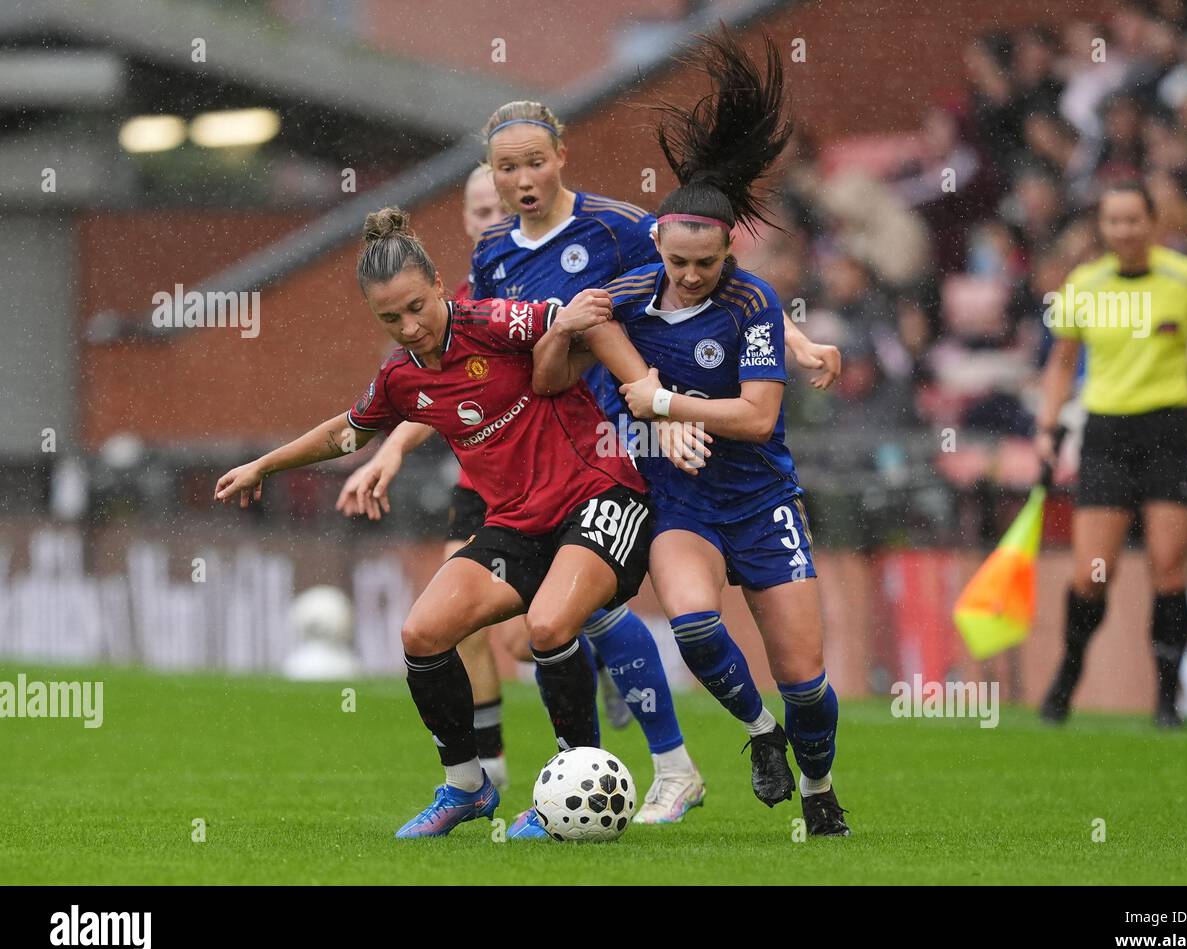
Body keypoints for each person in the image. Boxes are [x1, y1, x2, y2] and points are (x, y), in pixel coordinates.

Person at [216, 207, 652, 838]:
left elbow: (588, 320)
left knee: (550, 624)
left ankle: (577, 777)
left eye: (417, 307)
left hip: (600, 495)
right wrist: (264, 464)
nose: (409, 326)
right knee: (422, 632)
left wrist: (652, 395)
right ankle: (467, 787)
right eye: (389, 318)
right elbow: (346, 432)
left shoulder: (497, 322)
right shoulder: (400, 377)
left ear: (441, 286)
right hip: (518, 526)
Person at [532, 29, 850, 836]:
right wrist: (590, 346)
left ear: (726, 254)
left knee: (805, 678)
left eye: (703, 264)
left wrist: (664, 403)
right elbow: (589, 337)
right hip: (682, 505)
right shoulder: (633, 289)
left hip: (761, 498)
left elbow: (756, 417)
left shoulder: (753, 307)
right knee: (696, 622)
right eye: (677, 261)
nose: (688, 276)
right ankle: (757, 735)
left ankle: (818, 789)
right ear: (660, 245)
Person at [337, 163, 522, 792]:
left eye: (501, 209)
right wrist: (390, 451)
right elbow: (430, 396)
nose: (491, 220)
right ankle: (488, 766)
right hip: (481, 483)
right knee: (456, 613)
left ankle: (600, 668)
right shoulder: (446, 301)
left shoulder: (515, 302)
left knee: (532, 639)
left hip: (548, 480)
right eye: (479, 212)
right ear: (465, 222)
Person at [1035, 179, 1187, 728]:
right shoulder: (1083, 283)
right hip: (1106, 434)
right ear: (1102, 227)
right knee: (1091, 573)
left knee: (1168, 567)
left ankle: (1167, 701)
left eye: (1133, 219)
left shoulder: (1184, 276)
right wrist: (1048, 425)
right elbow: (1061, 362)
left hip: (1170, 431)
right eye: (1113, 221)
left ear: (1153, 223)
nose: (1123, 230)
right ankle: (1068, 674)